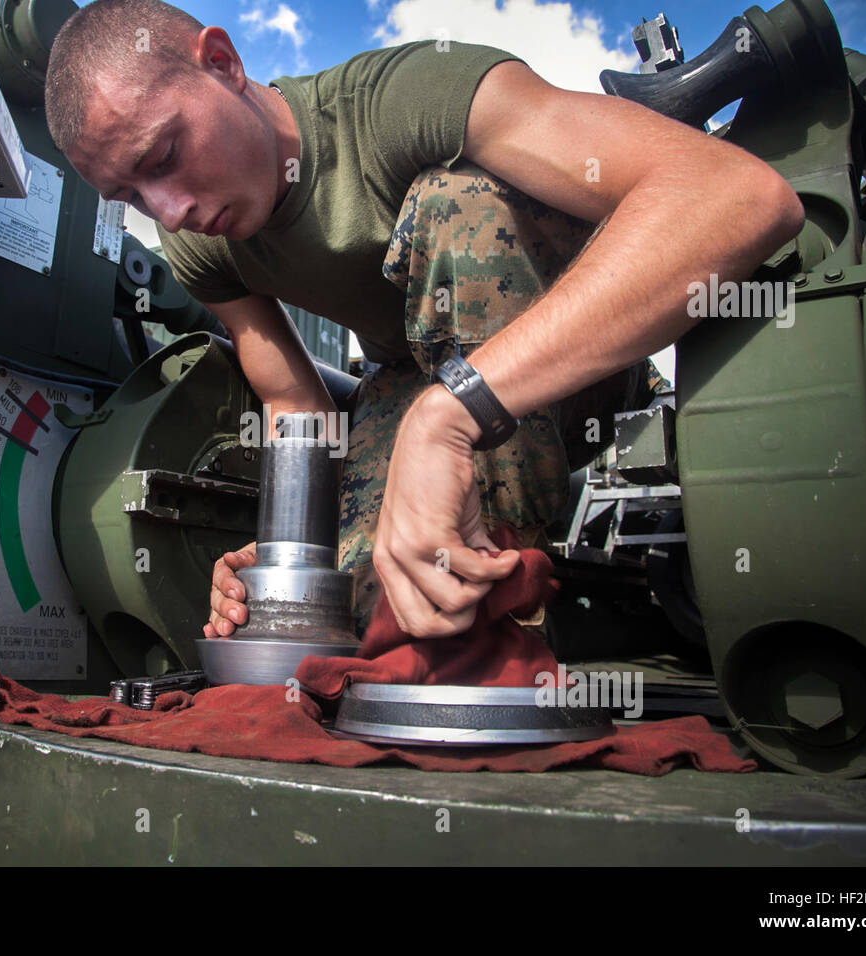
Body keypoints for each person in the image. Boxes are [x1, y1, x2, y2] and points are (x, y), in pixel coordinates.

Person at [44, 0, 805, 639]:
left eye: (164, 154)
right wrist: (286, 562)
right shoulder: (197, 242)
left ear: (222, 63)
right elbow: (294, 405)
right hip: (412, 391)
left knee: (457, 205)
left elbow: (736, 197)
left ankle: (504, 626)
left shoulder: (406, 97)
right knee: (372, 612)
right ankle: (451, 626)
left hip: (580, 368)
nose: (169, 210)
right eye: (132, 198)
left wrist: (451, 411)